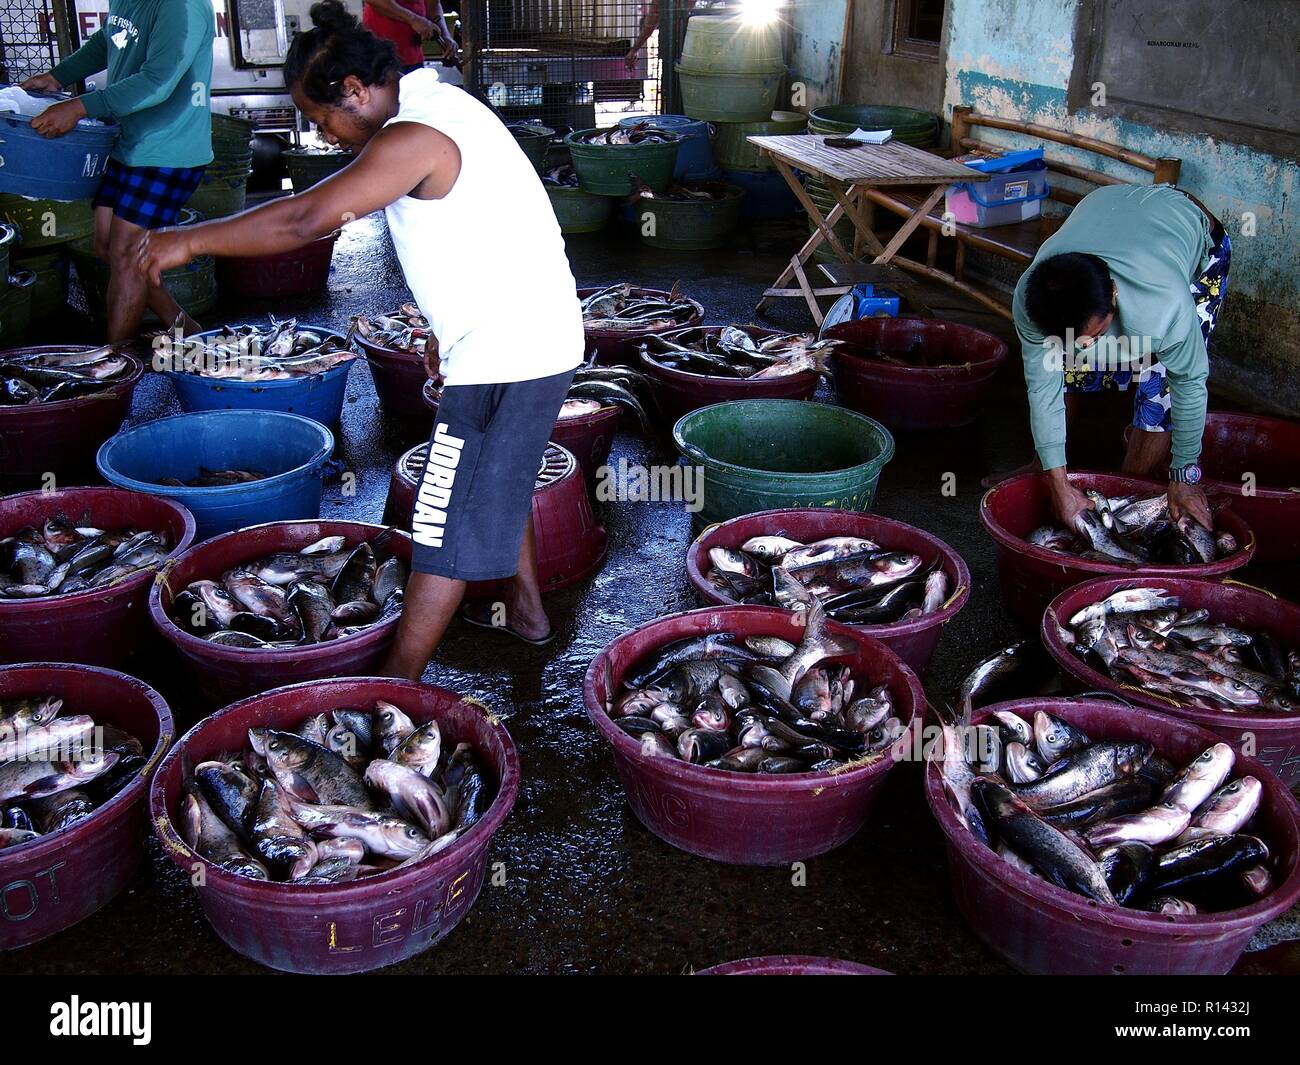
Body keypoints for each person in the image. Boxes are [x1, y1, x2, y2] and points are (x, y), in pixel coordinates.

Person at [133, 0, 583, 682]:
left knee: (440, 516)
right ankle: (525, 613)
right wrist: (446, 327)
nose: (327, 135)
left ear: (355, 91)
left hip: (513, 350)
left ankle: (394, 684)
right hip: (524, 335)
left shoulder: (413, 137)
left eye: (323, 120)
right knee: (498, 476)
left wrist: (189, 239)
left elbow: (307, 218)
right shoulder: (443, 107)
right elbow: (480, 231)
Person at [1012, 183, 1230, 532]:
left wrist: (1185, 475)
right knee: (1065, 368)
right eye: (1074, 342)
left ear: (1113, 294)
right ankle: (1049, 471)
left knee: (1159, 389)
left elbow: (1187, 383)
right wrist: (1058, 484)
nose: (1084, 350)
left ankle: (1130, 490)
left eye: (1095, 335)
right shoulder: (1031, 297)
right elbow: (1043, 389)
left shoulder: (1164, 304)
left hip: (1190, 233)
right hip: (1109, 207)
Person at [23, 0, 214, 342]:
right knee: (110, 246)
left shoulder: (182, 6)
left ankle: (114, 363)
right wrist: (58, 76)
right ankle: (185, 328)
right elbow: (111, 37)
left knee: (127, 254)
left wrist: (80, 107)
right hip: (130, 141)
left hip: (169, 147)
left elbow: (159, 80)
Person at [363, 0, 455, 72]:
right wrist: (413, 19)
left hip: (413, 56)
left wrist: (445, 34)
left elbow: (433, 5)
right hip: (380, 55)